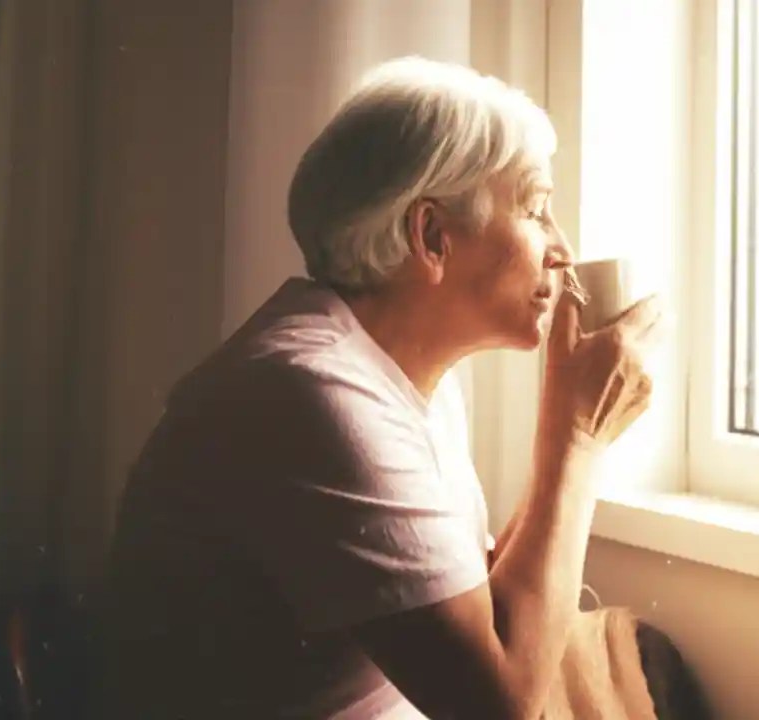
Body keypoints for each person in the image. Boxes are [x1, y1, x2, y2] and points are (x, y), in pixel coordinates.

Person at [98, 57, 664, 719]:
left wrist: (576, 430)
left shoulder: (398, 379)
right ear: (430, 236)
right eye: (536, 209)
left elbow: (478, 609)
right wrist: (576, 437)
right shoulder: (317, 396)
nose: (560, 248)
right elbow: (503, 704)